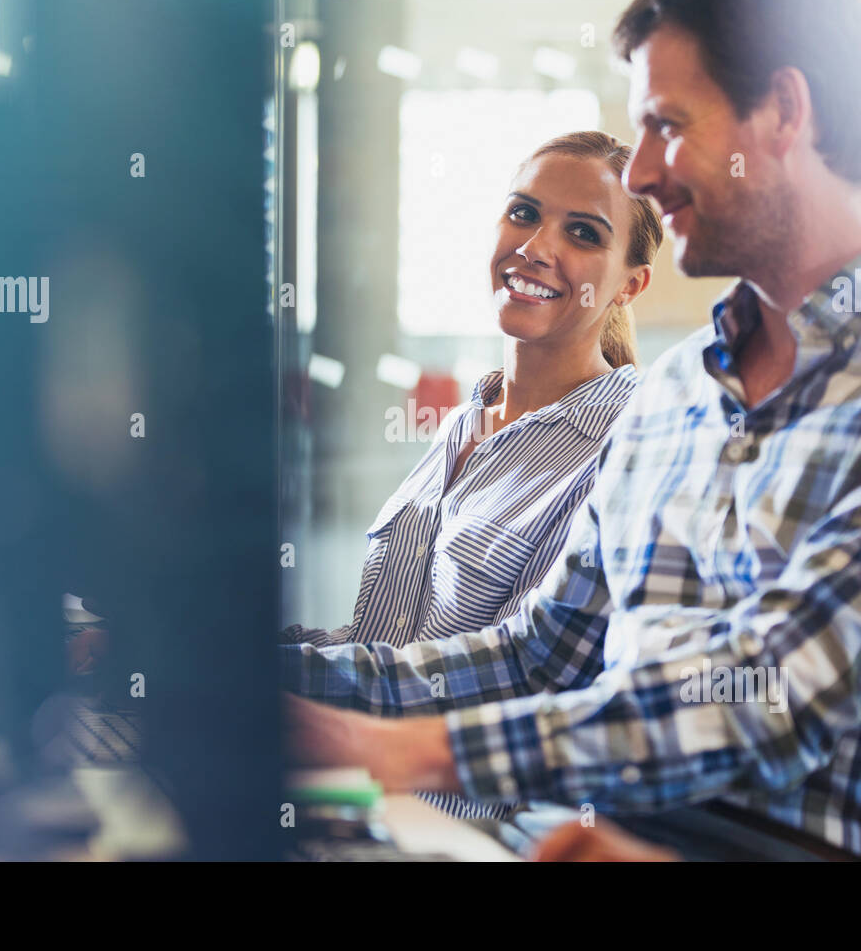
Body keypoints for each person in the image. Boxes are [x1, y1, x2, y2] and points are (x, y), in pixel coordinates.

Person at [282, 0, 861, 860]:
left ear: (784, 113)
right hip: (557, 836)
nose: (641, 175)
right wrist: (279, 683)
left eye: (664, 126)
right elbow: (536, 658)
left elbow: (784, 684)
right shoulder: (670, 396)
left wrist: (410, 752)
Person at [282, 131, 658, 652]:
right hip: (360, 723)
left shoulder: (625, 449)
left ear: (629, 286)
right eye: (523, 214)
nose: (534, 248)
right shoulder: (468, 420)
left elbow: (515, 675)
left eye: (582, 234)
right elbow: (383, 646)